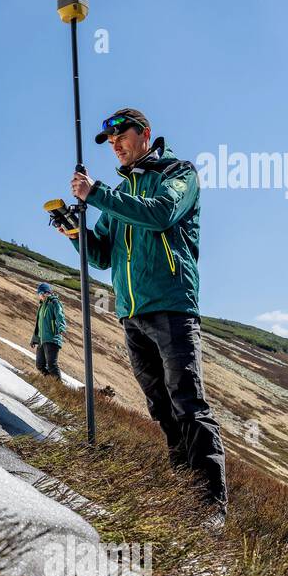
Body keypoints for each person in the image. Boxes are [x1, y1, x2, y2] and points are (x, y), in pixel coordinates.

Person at [62, 107, 229, 526]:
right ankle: (184, 491)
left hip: (171, 306)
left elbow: (160, 214)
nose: (115, 144)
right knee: (161, 407)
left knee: (187, 403)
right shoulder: (119, 196)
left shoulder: (178, 173)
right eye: (109, 140)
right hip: (132, 314)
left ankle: (211, 508)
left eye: (121, 135)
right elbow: (100, 256)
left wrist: (97, 194)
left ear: (145, 134)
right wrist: (73, 232)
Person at [29, 282, 66, 378]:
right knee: (40, 365)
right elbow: (38, 325)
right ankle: (51, 383)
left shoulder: (54, 302)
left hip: (52, 338)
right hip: (42, 340)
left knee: (52, 366)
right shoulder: (41, 306)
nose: (39, 296)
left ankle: (59, 387)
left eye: (40, 294)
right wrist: (34, 339)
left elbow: (60, 316)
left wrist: (61, 327)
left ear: (45, 293)